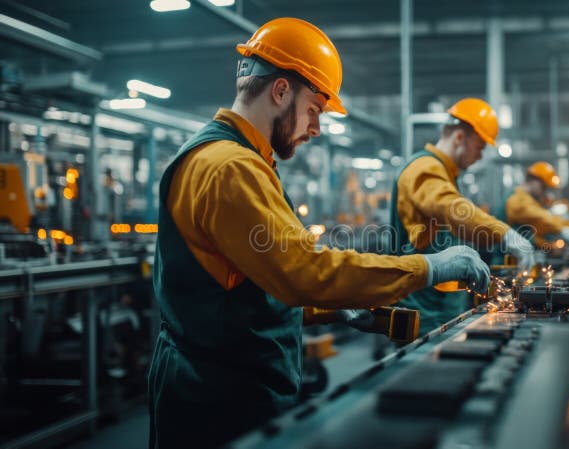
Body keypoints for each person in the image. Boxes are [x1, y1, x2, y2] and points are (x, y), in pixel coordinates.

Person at [147, 18, 489, 449]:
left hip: (222, 383)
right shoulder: (230, 167)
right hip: (218, 399)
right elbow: (303, 270)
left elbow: (252, 286)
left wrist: (331, 310)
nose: (316, 128)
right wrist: (429, 266)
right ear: (280, 91)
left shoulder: (240, 161)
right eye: (315, 110)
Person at [390, 98, 535, 334]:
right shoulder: (424, 168)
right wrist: (505, 234)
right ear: (459, 138)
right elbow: (452, 209)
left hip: (441, 306)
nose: (480, 157)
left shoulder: (445, 173)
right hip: (423, 312)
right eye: (479, 148)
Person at [498, 162, 569, 247]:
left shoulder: (527, 198)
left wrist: (546, 244)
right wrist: (561, 229)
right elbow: (540, 217)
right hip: (503, 257)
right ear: (535, 181)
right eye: (544, 187)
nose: (544, 192)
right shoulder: (518, 199)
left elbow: (531, 232)